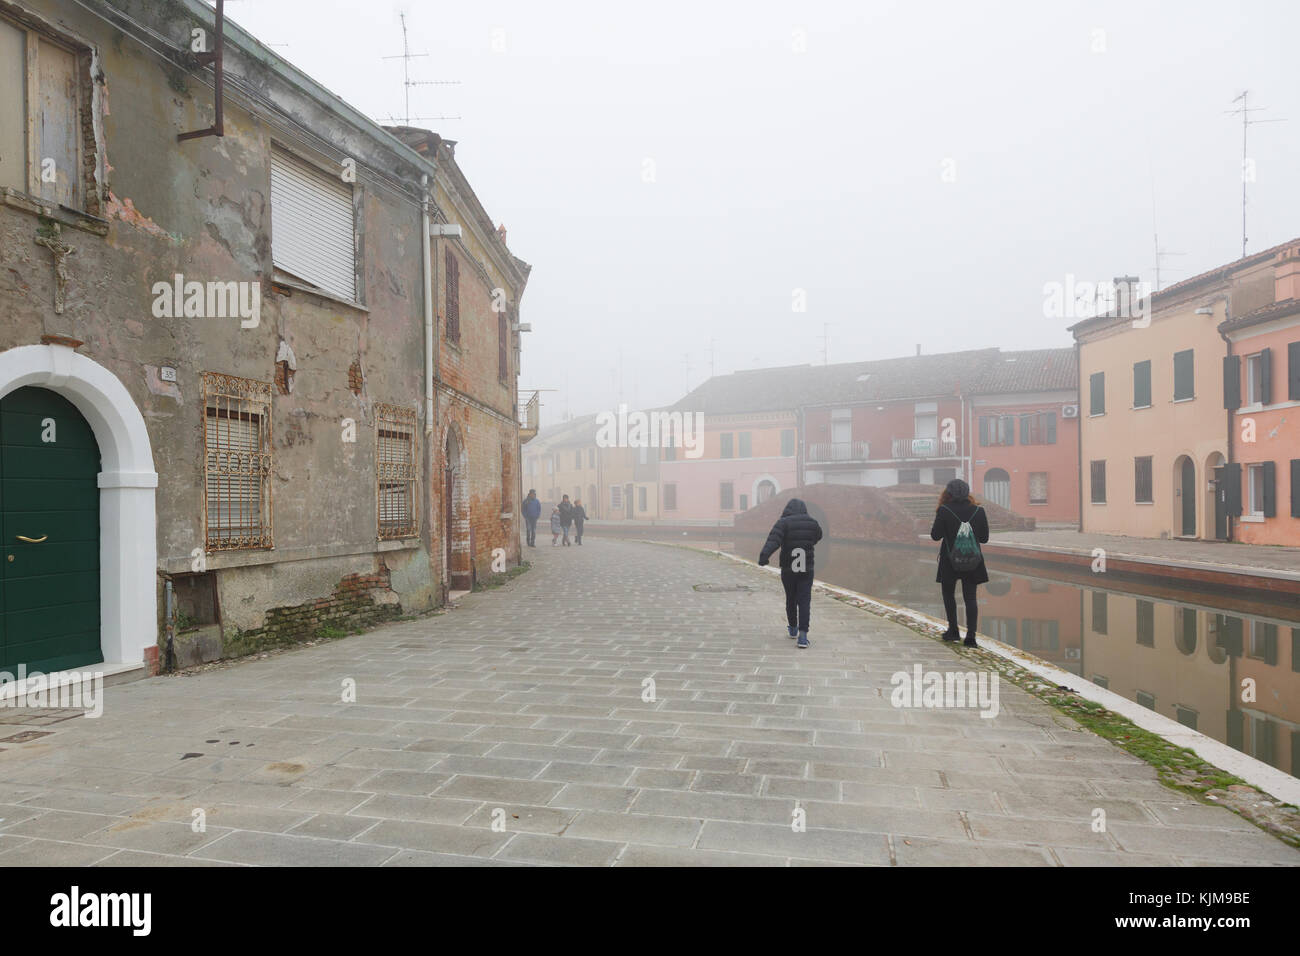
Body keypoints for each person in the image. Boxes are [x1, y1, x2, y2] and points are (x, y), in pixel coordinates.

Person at [930, 478, 990, 647]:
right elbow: (984, 539)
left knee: (949, 595)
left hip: (950, 561)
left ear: (948, 493)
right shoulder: (979, 511)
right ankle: (971, 637)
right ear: (967, 492)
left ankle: (953, 631)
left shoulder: (944, 510)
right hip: (972, 560)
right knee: (970, 598)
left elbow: (936, 535)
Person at [758, 498, 823, 649]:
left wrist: (764, 557)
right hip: (806, 568)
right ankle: (803, 636)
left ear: (788, 509)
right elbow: (818, 536)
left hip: (789, 569)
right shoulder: (812, 523)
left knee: (791, 598)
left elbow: (773, 541)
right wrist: (808, 542)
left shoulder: (783, 522)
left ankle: (792, 628)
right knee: (804, 600)